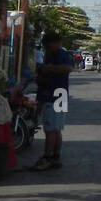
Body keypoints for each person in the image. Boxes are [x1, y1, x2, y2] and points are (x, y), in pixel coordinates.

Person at [31, 31, 74, 172]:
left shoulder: (60, 54)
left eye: (48, 46)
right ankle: (55, 157)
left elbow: (68, 68)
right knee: (55, 129)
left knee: (50, 129)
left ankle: (48, 157)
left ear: (55, 43)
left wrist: (47, 68)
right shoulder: (53, 54)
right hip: (58, 94)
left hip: (55, 95)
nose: (47, 48)